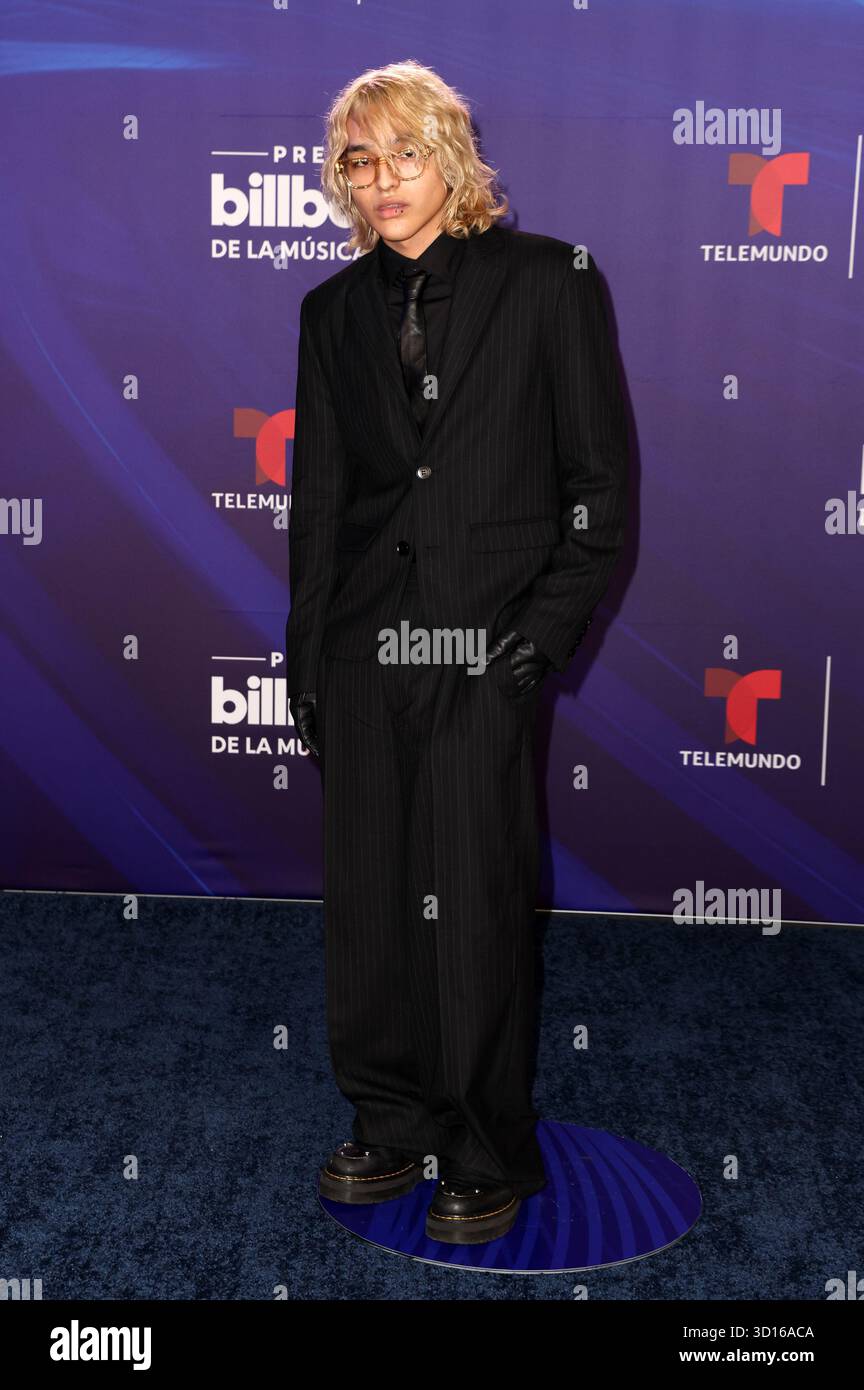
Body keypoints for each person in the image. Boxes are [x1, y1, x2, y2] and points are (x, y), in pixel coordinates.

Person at [285, 59, 629, 1245]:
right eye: (360, 163)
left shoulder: (550, 283)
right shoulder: (329, 315)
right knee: (371, 900)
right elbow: (320, 506)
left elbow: (599, 493)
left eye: (405, 155)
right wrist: (308, 661)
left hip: (488, 653)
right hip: (363, 655)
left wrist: (532, 649)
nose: (383, 182)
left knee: (477, 905)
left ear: (454, 158)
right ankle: (387, 1118)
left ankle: (486, 1145)